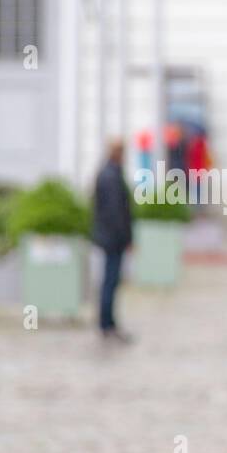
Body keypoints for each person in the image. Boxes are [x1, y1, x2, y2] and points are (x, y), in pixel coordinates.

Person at [91, 139, 134, 342]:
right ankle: (106, 323)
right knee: (110, 281)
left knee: (111, 280)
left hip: (109, 236)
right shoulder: (111, 176)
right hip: (113, 238)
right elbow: (116, 212)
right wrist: (126, 237)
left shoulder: (109, 173)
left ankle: (108, 322)